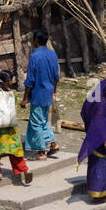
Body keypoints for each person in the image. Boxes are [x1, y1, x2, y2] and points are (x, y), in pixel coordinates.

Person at [0, 70, 31, 185]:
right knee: (14, 149)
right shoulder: (13, 93)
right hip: (10, 125)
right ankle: (24, 169)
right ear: (9, 80)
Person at [22, 28, 60, 160]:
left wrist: (25, 98)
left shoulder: (35, 56)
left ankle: (41, 151)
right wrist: (53, 91)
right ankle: (53, 144)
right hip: (48, 92)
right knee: (43, 120)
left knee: (36, 123)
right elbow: (56, 76)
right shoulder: (52, 54)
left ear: (36, 40)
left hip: (38, 93)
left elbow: (30, 79)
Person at [77, 78, 106, 200]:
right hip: (101, 139)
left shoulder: (92, 100)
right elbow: (99, 123)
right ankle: (100, 194)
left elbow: (84, 113)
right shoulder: (101, 104)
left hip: (93, 136)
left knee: (98, 163)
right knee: (101, 165)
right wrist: (105, 140)